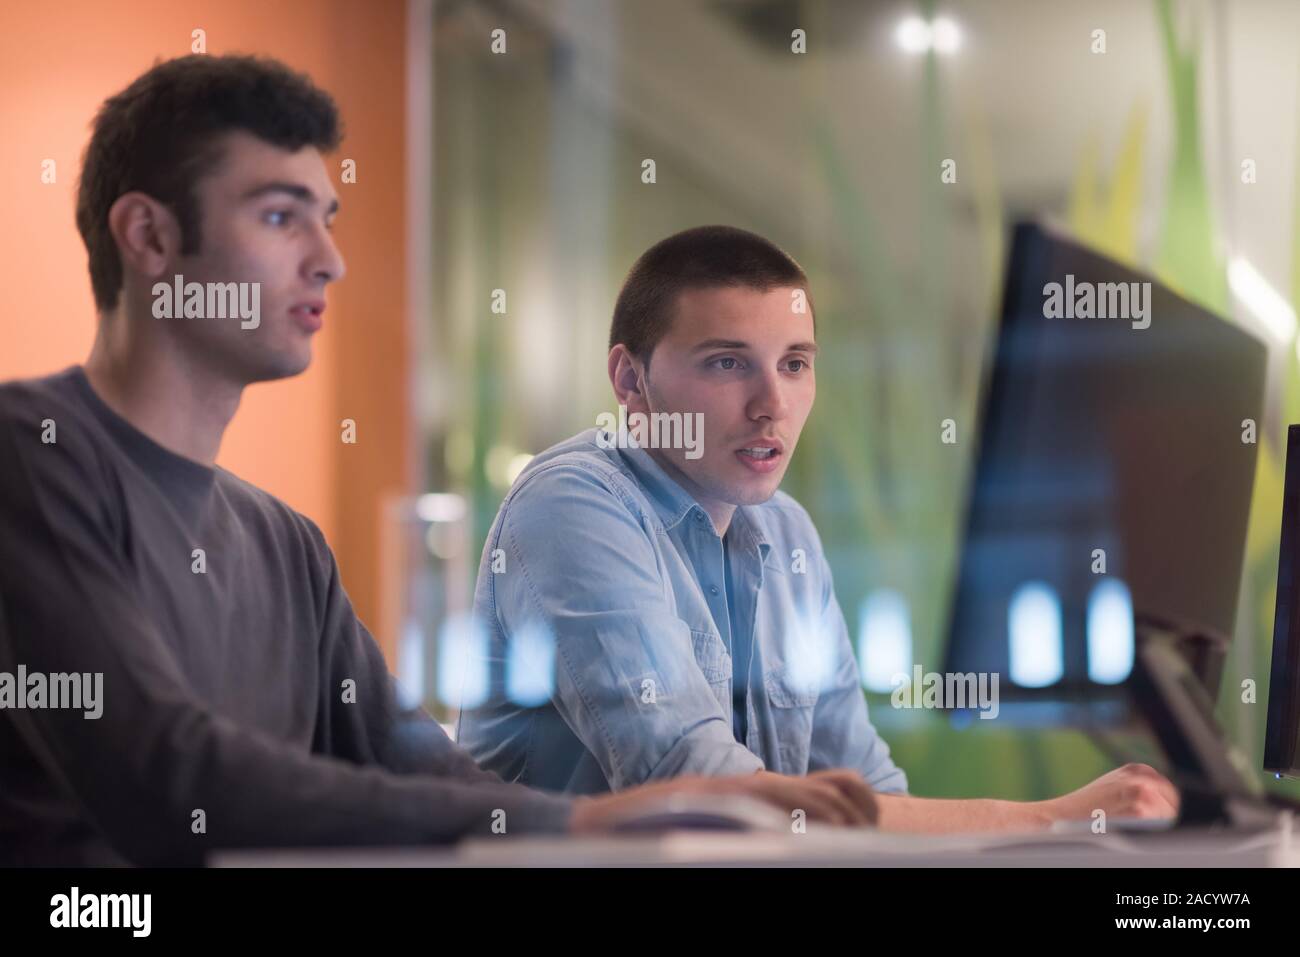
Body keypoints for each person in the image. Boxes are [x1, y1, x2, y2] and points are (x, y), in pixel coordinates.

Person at [0, 56, 878, 867]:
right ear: (149, 238)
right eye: (279, 216)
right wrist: (577, 819)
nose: (330, 261)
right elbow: (166, 773)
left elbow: (422, 768)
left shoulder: (284, 545)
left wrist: (609, 822)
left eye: (327, 219)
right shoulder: (29, 454)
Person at [458, 224, 1181, 832]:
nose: (771, 403)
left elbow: (864, 788)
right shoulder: (572, 502)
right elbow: (697, 789)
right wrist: (1054, 818)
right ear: (629, 381)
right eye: (727, 362)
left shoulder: (786, 534)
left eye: (796, 363)